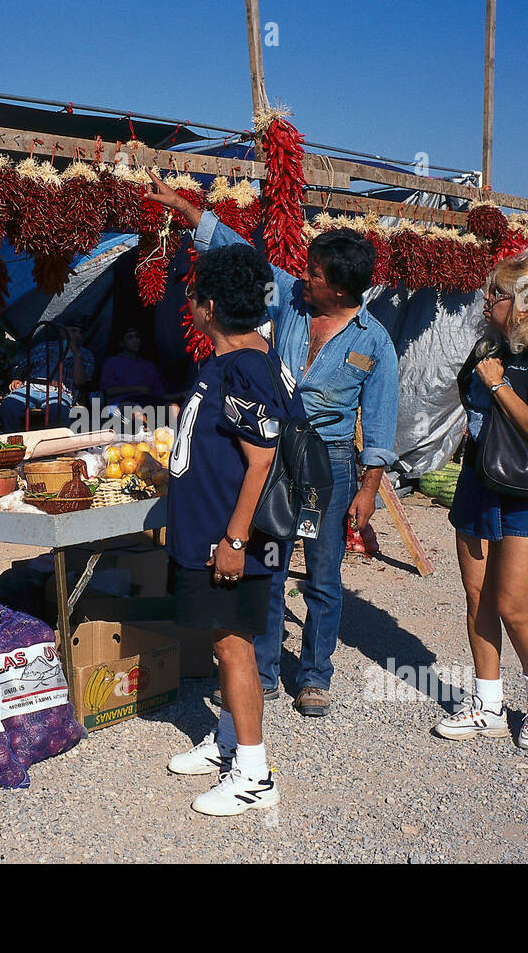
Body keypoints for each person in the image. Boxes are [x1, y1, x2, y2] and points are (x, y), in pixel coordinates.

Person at [146, 172, 399, 718]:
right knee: (269, 564)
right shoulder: (291, 299)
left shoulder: (373, 341)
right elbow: (246, 258)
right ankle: (257, 672)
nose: (302, 278)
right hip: (271, 450)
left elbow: (379, 426)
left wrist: (369, 490)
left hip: (326, 461)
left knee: (324, 572)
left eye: (314, 274)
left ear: (341, 288)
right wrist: (191, 215)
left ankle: (314, 674)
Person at [164, 243, 302, 816]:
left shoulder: (246, 365)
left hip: (232, 539)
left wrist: (236, 539)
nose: (191, 307)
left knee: (233, 646)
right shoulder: (238, 361)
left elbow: (263, 457)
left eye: (195, 297)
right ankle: (226, 740)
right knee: (225, 649)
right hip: (216, 534)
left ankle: (253, 774)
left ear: (211, 306)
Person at [434, 244, 528, 751]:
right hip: (480, 483)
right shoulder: (487, 351)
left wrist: (498, 388)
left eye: (495, 293)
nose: (485, 301)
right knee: (477, 598)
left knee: (513, 604)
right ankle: (488, 703)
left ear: (523, 304)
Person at [0, 318, 95, 431]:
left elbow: (80, 381)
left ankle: (55, 445)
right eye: (73, 331)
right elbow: (24, 365)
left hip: (58, 391)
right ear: (63, 332)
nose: (77, 335)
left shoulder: (85, 355)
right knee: (9, 406)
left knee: (57, 410)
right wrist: (17, 378)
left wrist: (77, 355)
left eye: (80, 333)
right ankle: (14, 442)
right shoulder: (45, 347)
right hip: (31, 387)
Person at [98, 326, 180, 427]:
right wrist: (138, 388)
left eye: (137, 337)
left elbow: (160, 394)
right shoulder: (112, 363)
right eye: (130, 337)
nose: (135, 340)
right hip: (125, 402)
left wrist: (181, 394)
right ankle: (147, 439)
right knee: (137, 412)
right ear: (121, 343)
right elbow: (109, 391)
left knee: (174, 408)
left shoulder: (148, 365)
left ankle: (178, 440)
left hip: (149, 400)